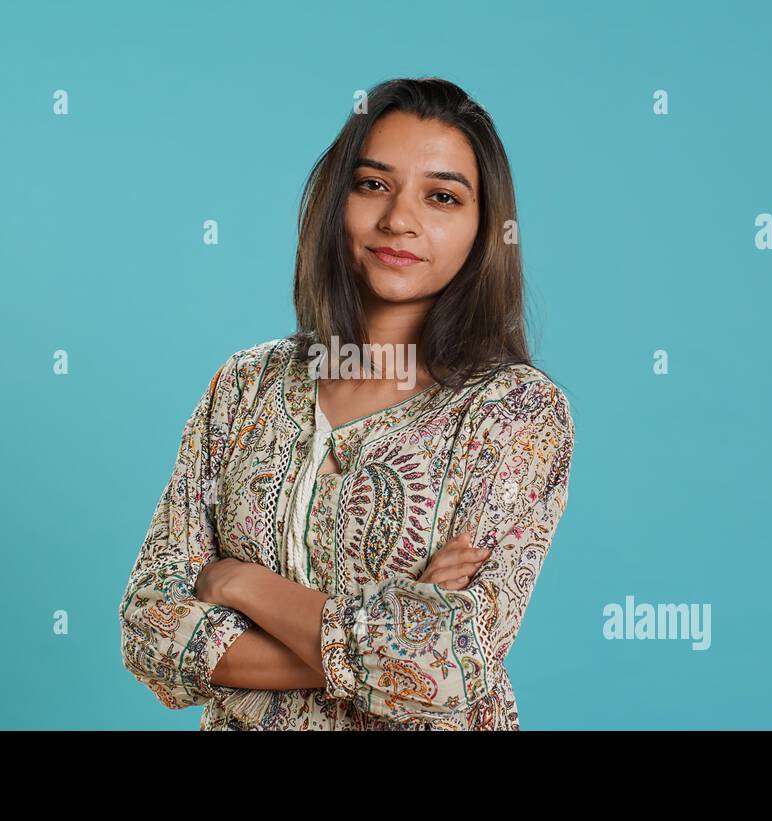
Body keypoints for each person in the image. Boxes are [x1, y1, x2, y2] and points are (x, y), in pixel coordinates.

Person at [118, 77, 575, 730]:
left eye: (442, 196)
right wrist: (387, 628)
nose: (400, 220)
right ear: (337, 199)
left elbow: (446, 663)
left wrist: (235, 584)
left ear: (483, 227)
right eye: (372, 184)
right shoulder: (245, 387)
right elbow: (148, 626)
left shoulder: (514, 414)